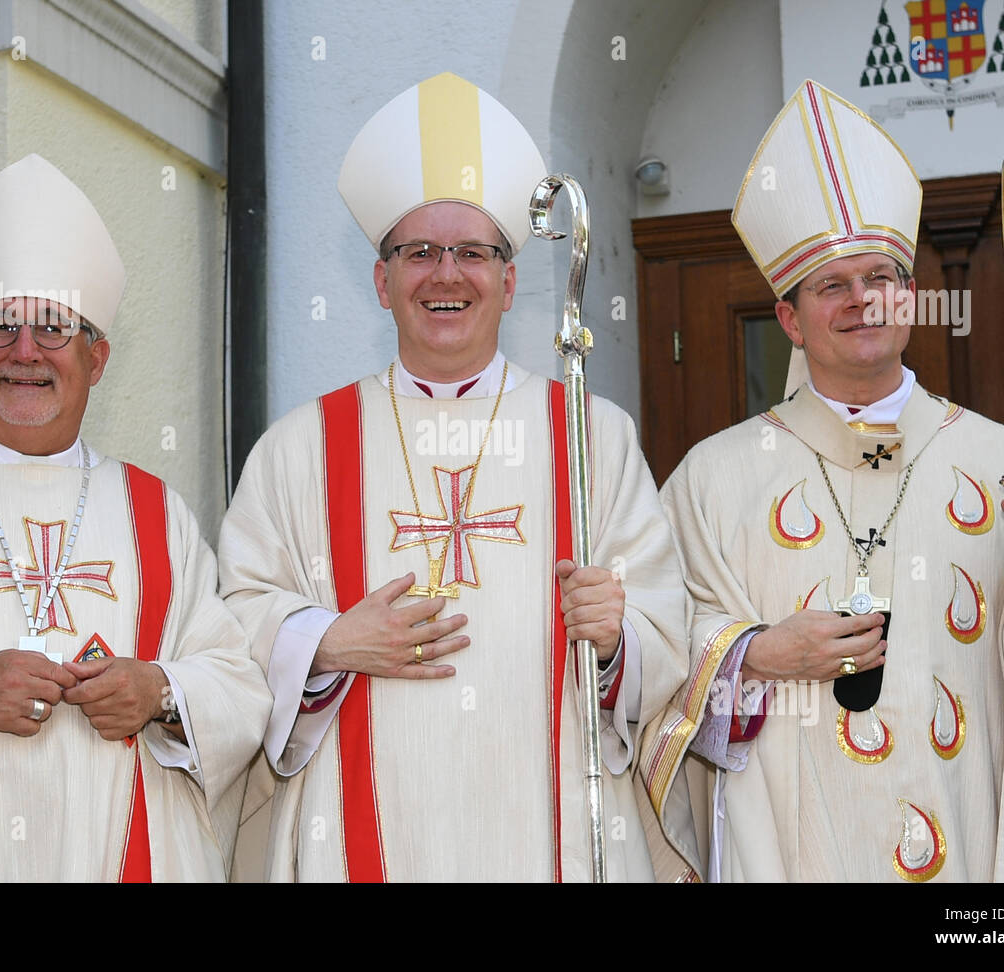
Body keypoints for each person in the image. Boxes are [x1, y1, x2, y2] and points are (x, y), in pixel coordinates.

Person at [218, 72, 688, 881]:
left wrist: (618, 639)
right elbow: (231, 626)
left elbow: (665, 633)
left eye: (474, 252)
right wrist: (323, 641)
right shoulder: (299, 449)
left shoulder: (592, 436)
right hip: (357, 828)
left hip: (554, 836)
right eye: (418, 252)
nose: (446, 275)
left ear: (510, 282)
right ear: (381, 281)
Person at [641, 80, 1004, 882]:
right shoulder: (712, 482)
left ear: (912, 296)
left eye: (881, 277)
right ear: (790, 319)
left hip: (969, 850)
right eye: (832, 285)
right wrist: (755, 656)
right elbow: (650, 664)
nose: (862, 300)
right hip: (791, 851)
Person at [0, 154, 271, 881]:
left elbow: (241, 689)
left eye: (54, 327)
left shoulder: (158, 514)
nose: (24, 352)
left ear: (97, 360)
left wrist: (159, 691)